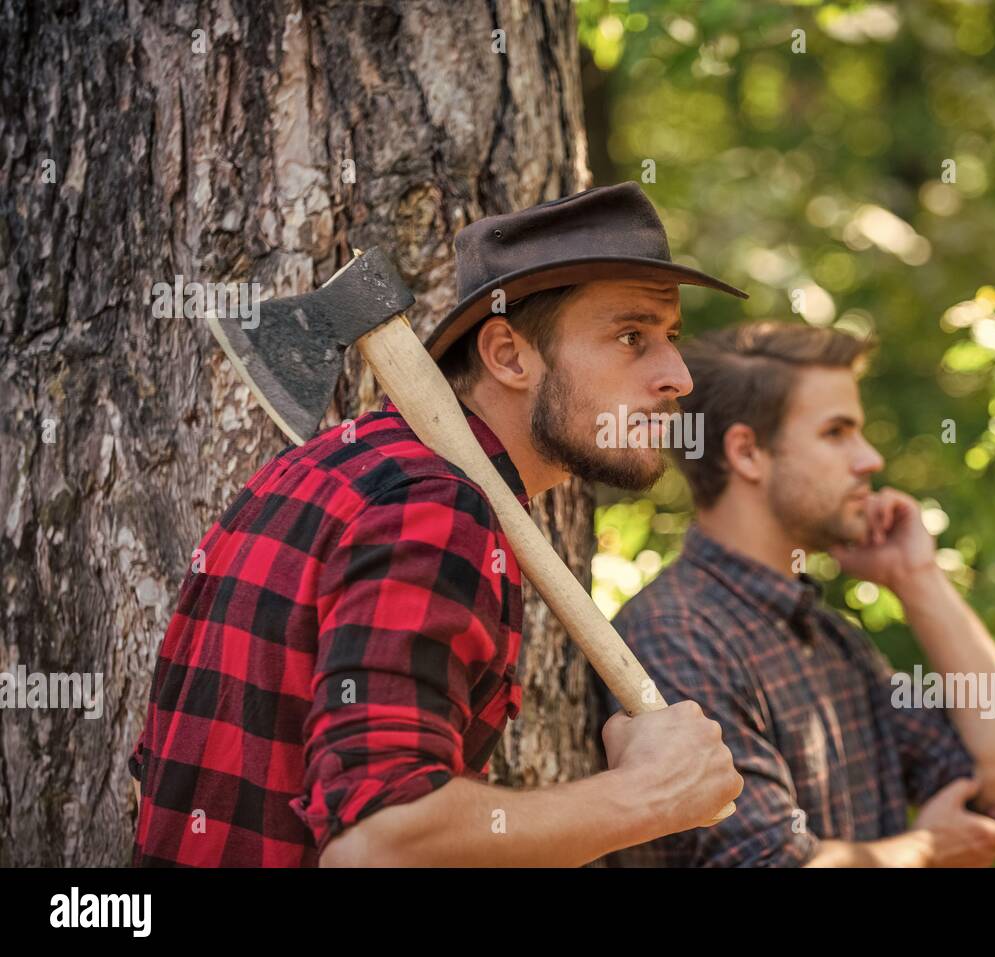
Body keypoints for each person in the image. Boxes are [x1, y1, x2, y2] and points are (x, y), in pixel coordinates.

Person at [131, 182, 744, 866]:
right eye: (632, 335)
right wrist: (649, 796)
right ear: (510, 356)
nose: (679, 376)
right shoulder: (433, 508)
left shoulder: (331, 473)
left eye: (672, 338)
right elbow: (380, 845)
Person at [598, 321, 995, 866]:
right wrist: (928, 852)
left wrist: (918, 579)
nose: (870, 460)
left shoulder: (833, 640)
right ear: (748, 453)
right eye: (837, 432)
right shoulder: (675, 634)